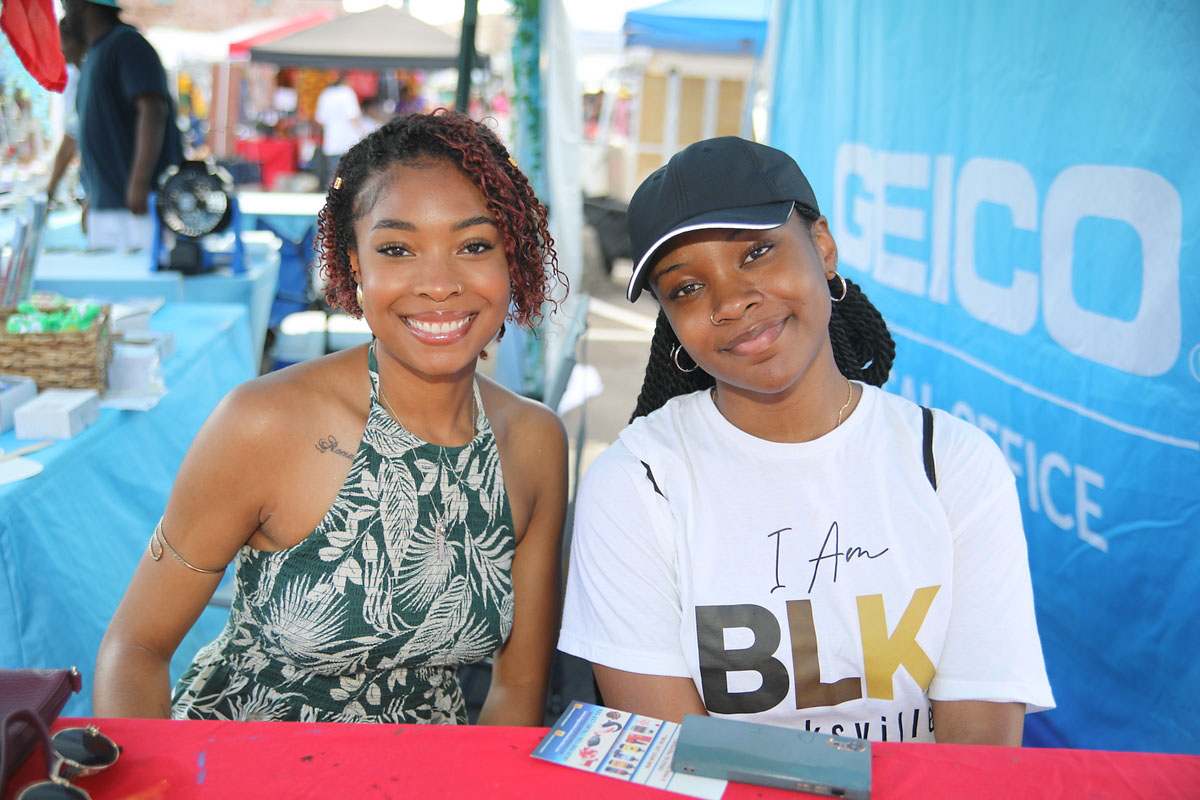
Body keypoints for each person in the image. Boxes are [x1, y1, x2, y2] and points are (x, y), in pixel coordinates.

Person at [558, 137, 1054, 745]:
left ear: (822, 246)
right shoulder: (637, 483)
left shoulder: (951, 463)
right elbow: (670, 755)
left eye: (757, 252)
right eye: (686, 287)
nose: (731, 300)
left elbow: (978, 758)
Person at [94, 111, 569, 725]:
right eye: (397, 249)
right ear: (353, 267)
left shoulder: (533, 444)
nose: (439, 284)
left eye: (473, 245)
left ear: (513, 258)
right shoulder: (264, 423)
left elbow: (518, 690)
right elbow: (134, 648)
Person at [63, 0, 182, 251]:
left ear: (82, 6)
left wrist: (139, 181)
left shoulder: (127, 44)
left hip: (136, 208)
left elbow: (153, 110)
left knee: (139, 288)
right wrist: (94, 194)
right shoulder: (97, 52)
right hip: (109, 206)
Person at [44, 18, 87, 207]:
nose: (59, 49)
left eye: (61, 41)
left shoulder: (84, 77)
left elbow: (71, 138)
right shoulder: (78, 75)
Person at [314, 73, 364, 188]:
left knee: (335, 173)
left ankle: (335, 191)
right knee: (349, 172)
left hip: (332, 141)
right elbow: (353, 117)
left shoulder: (326, 94)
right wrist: (361, 133)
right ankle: (345, 193)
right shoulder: (347, 93)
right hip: (348, 140)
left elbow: (320, 119)